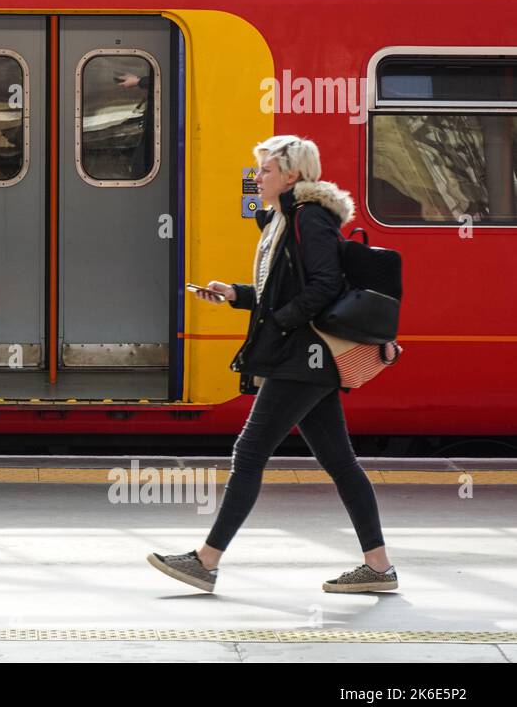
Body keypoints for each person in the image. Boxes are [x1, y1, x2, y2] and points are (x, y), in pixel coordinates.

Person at [149, 135, 397, 594]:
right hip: (306, 356)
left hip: (302, 356)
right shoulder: (286, 220)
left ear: (291, 175)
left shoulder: (310, 220)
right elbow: (283, 289)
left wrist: (280, 325)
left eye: (264, 170)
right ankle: (379, 568)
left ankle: (206, 561)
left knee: (249, 452)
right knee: (340, 461)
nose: (256, 177)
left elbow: (322, 286)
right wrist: (236, 295)